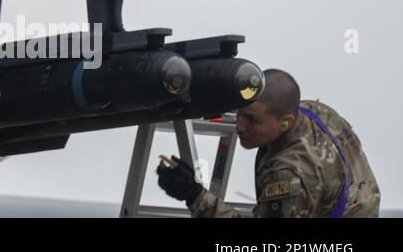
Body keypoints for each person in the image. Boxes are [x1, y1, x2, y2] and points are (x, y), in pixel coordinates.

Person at [158, 68, 380, 217]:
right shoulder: (317, 112)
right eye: (239, 114)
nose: (239, 126)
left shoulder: (288, 174)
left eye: (252, 120)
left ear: (285, 123)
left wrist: (193, 194)